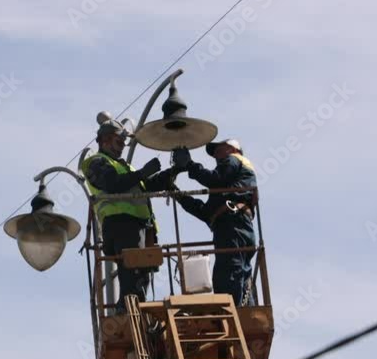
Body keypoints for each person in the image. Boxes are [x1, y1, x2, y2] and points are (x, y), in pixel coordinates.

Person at [80, 113, 186, 313]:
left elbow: (147, 186)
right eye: (118, 142)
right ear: (104, 140)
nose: (122, 146)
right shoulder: (96, 162)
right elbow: (112, 184)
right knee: (132, 271)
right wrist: (142, 173)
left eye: (123, 143)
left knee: (141, 274)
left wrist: (176, 170)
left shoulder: (126, 167)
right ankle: (128, 310)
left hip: (139, 227)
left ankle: (135, 310)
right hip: (120, 224)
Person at [171, 139, 258, 307]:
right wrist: (177, 194)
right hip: (234, 225)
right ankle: (244, 312)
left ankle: (231, 313)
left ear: (233, 149)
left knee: (229, 273)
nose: (216, 156)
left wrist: (189, 165)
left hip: (234, 225)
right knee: (238, 273)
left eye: (219, 151)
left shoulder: (234, 159)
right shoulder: (226, 191)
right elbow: (205, 212)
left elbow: (215, 178)